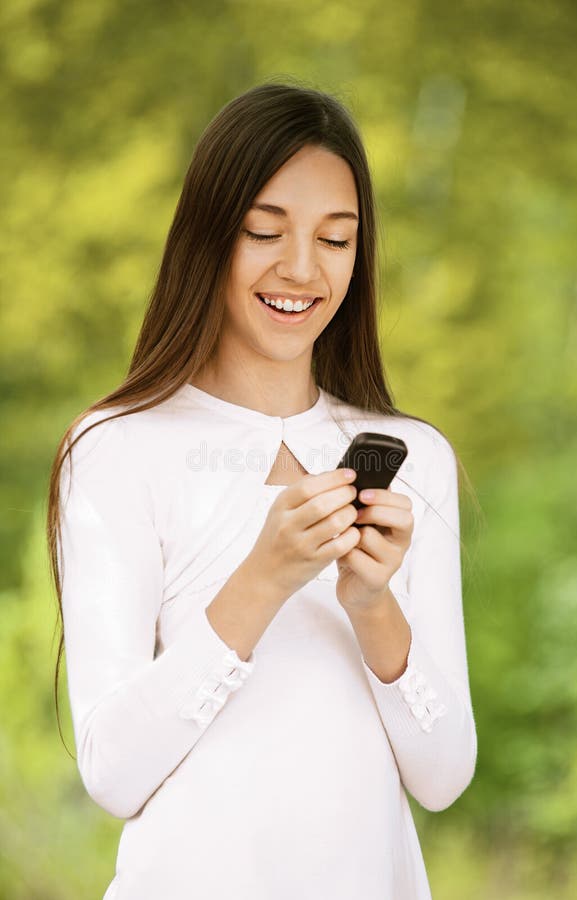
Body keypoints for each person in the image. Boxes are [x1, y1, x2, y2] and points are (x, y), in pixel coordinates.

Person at [47, 80, 477, 900]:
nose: (302, 270)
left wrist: (371, 602)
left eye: (336, 239)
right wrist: (262, 580)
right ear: (209, 236)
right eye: (263, 231)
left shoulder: (413, 459)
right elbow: (112, 772)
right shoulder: (116, 449)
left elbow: (443, 776)